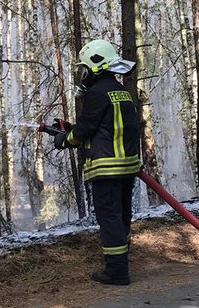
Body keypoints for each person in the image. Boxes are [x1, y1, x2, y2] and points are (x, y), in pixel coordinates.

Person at [53, 39, 142, 286]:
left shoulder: (95, 93)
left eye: (83, 68)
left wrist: (65, 139)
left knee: (109, 217)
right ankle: (120, 263)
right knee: (121, 216)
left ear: (96, 65)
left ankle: (116, 272)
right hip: (126, 167)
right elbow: (103, 126)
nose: (81, 75)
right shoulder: (120, 91)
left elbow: (84, 131)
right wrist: (70, 129)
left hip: (106, 167)